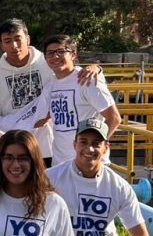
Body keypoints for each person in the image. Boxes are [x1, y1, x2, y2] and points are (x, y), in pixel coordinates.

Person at [0, 18, 99, 163]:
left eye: (18, 39)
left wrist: (97, 68)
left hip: (52, 147)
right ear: (1, 45)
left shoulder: (49, 61)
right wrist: (28, 122)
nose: (14, 45)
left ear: (28, 39)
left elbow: (72, 73)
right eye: (7, 41)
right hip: (17, 149)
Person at [33, 35, 121, 166]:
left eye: (61, 52)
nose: (55, 56)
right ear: (45, 58)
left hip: (89, 164)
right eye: (50, 53)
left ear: (73, 54)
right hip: (61, 164)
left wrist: (95, 147)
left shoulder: (87, 80)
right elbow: (38, 120)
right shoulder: (50, 85)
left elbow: (114, 118)